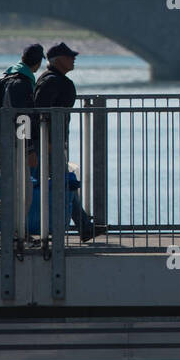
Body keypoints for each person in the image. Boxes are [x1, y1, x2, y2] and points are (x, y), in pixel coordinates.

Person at [33, 42, 106, 241]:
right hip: (48, 143)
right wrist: (46, 141)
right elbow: (40, 112)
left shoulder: (57, 80)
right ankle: (77, 227)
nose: (74, 58)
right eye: (70, 56)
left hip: (54, 142)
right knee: (60, 183)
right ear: (58, 60)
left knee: (64, 183)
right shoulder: (51, 81)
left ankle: (84, 226)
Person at [0, 43, 44, 245]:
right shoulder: (21, 83)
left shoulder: (9, 77)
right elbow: (21, 118)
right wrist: (30, 149)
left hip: (3, 143)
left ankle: (14, 232)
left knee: (19, 189)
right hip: (12, 144)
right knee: (23, 191)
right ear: (38, 63)